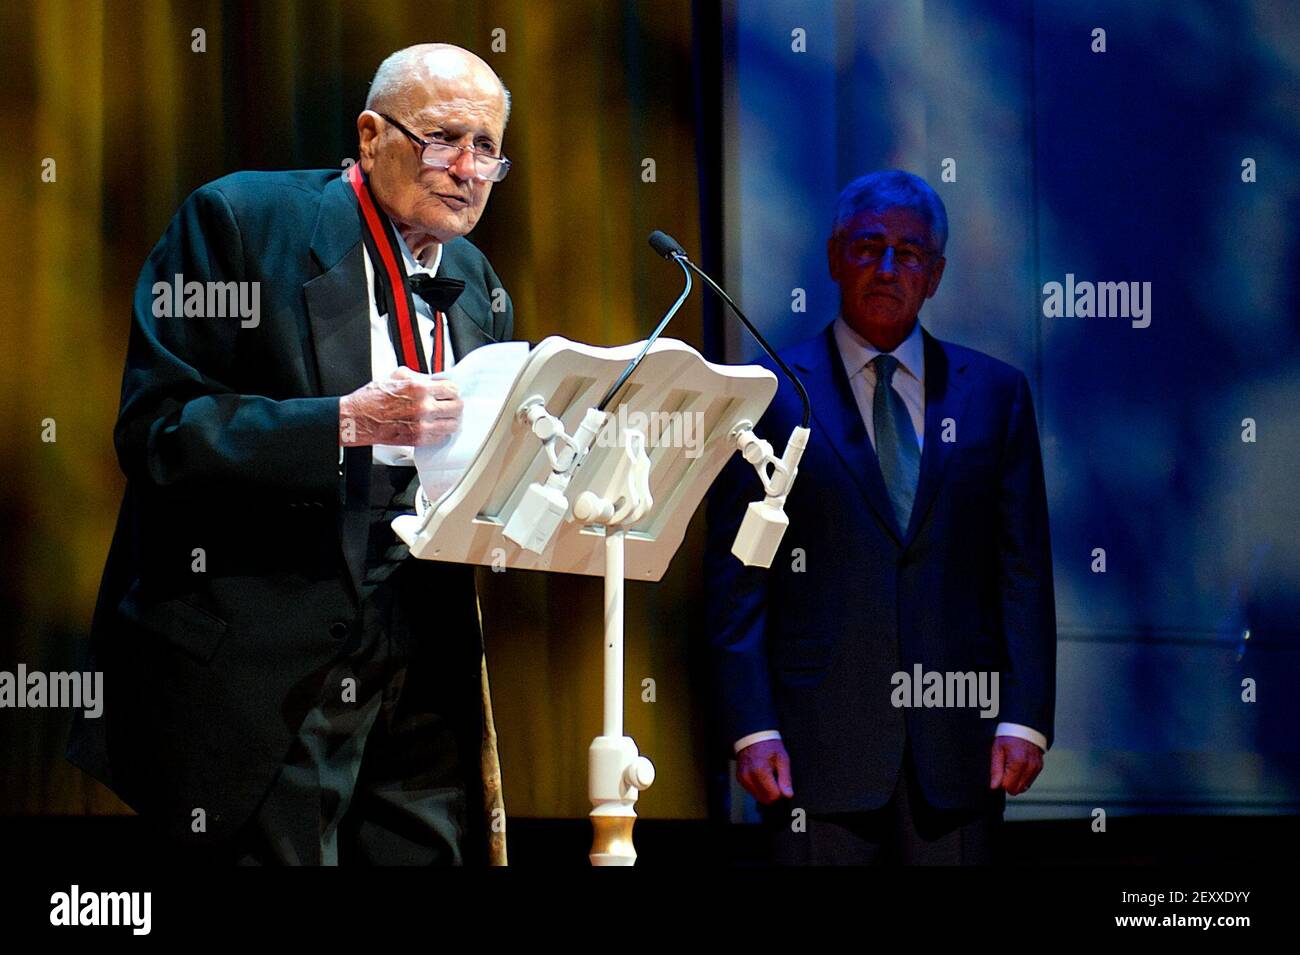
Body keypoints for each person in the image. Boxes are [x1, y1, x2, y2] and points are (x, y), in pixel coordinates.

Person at [67, 43, 514, 865]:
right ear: (371, 133)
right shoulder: (241, 221)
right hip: (266, 668)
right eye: (446, 138)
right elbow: (160, 431)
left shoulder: (479, 280)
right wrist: (340, 421)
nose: (470, 168)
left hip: (422, 670)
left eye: (488, 148)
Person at [704, 170, 1056, 864]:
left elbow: (1024, 573)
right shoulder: (768, 391)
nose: (888, 267)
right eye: (868, 247)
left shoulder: (996, 396)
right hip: (811, 755)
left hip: (962, 751)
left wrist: (1026, 716)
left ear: (936, 274)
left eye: (910, 252)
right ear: (836, 259)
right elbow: (738, 578)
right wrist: (752, 727)